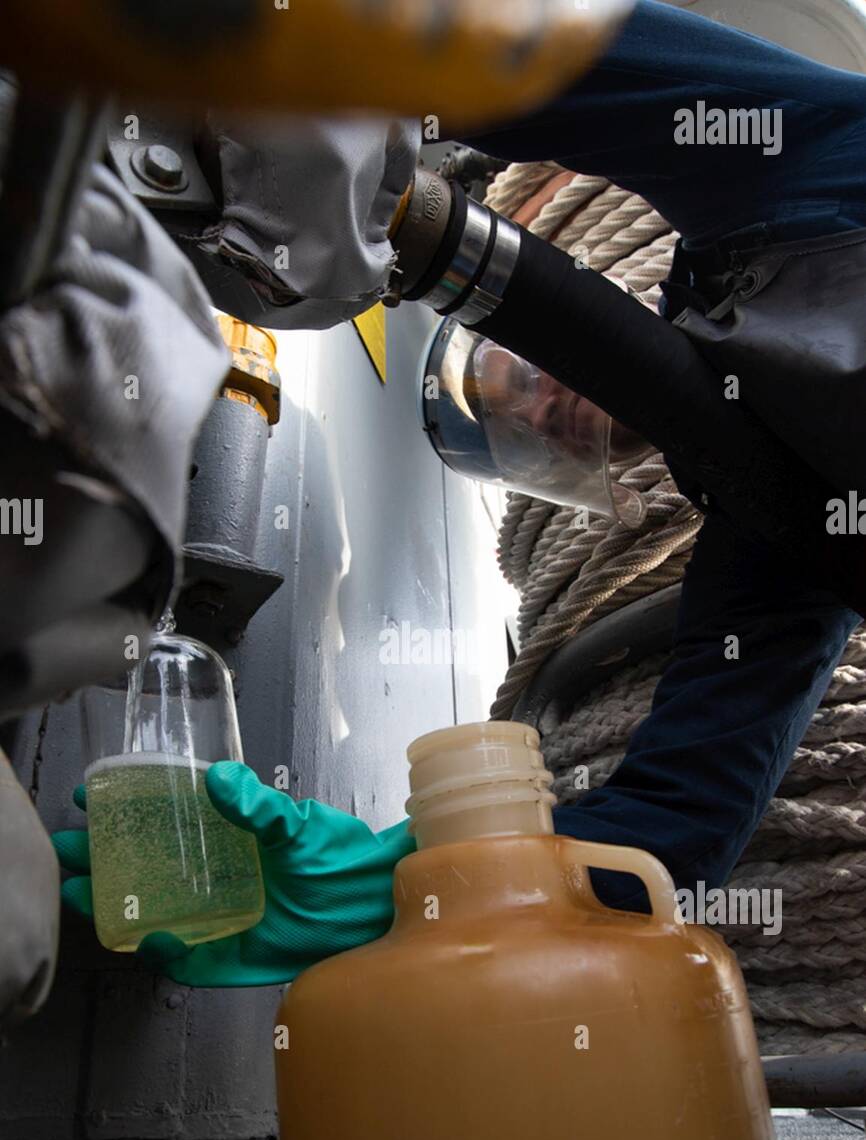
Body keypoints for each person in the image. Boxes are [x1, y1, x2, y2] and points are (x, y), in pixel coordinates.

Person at [54, 0, 866, 978]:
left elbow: (515, 48)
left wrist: (306, 50)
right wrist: (387, 880)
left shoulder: (820, 192)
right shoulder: (787, 482)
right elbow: (666, 835)